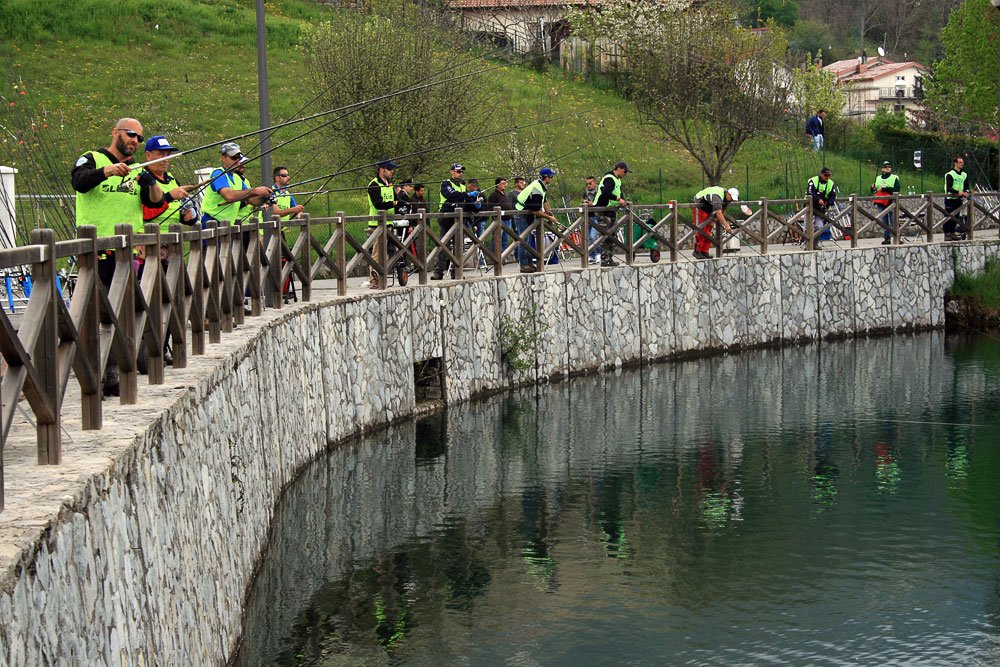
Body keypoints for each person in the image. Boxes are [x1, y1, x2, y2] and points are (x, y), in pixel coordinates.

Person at [71, 118, 168, 397]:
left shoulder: (136, 171)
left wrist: (151, 181)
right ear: (115, 133)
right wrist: (107, 171)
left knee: (125, 313)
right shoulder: (92, 158)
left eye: (138, 137)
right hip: (97, 249)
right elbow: (79, 181)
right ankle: (94, 378)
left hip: (128, 253)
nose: (134, 141)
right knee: (97, 313)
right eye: (130, 135)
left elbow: (155, 202)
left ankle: (114, 373)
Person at [200, 142, 273, 225]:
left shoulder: (237, 178)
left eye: (239, 157)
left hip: (227, 224)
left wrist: (265, 198)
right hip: (211, 221)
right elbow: (229, 196)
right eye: (234, 157)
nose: (237, 160)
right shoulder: (218, 174)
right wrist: (255, 191)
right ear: (223, 158)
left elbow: (251, 200)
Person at [433, 163, 479, 280]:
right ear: (451, 172)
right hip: (446, 218)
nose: (460, 174)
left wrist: (476, 206)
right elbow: (451, 195)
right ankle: (438, 272)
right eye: (458, 171)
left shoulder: (463, 186)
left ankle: (456, 271)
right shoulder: (446, 184)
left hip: (459, 220)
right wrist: (467, 194)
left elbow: (466, 202)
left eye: (461, 172)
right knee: (444, 246)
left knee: (460, 246)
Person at [513, 167, 560, 273]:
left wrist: (549, 211)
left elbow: (544, 201)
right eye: (551, 177)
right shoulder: (537, 189)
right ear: (546, 177)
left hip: (527, 213)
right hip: (521, 213)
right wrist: (549, 217)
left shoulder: (540, 185)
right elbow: (536, 210)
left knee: (529, 239)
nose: (552, 179)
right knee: (523, 239)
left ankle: (530, 262)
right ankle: (524, 264)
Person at [592, 161, 631, 267]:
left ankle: (610, 258)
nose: (625, 174)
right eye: (625, 172)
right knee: (605, 234)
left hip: (611, 210)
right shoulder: (609, 178)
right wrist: (618, 199)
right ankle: (604, 259)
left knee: (612, 235)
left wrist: (623, 200)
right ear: (620, 169)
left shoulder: (617, 180)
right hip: (603, 209)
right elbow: (606, 193)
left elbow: (618, 192)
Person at [367, 160, 398, 289]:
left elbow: (396, 199)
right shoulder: (373, 185)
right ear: (382, 169)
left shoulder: (389, 184)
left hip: (389, 223)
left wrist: (402, 204)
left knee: (385, 254)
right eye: (390, 169)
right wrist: (394, 203)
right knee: (376, 254)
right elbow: (378, 204)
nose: (392, 172)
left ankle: (382, 278)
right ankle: (374, 281)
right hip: (377, 224)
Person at [692, 186, 737, 260]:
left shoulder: (727, 199)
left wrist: (714, 220)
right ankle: (697, 251)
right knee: (701, 230)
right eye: (731, 198)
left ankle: (704, 251)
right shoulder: (717, 196)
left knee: (708, 230)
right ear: (728, 194)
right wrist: (726, 225)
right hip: (699, 206)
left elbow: (722, 210)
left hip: (709, 208)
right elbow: (718, 212)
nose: (731, 200)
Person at [870, 161, 900, 245]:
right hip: (880, 202)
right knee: (884, 221)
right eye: (886, 166)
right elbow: (874, 190)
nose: (888, 168)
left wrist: (886, 188)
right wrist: (872, 188)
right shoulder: (878, 178)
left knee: (893, 220)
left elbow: (897, 189)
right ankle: (886, 238)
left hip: (891, 202)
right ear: (882, 168)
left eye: (889, 167)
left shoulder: (894, 178)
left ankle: (897, 237)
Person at [806, 167, 836, 249]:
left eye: (829, 175)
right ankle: (807, 245)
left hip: (821, 209)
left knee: (819, 227)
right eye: (825, 175)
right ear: (821, 174)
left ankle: (815, 244)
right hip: (810, 207)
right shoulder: (813, 181)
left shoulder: (831, 183)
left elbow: (833, 196)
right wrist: (818, 199)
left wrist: (829, 203)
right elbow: (810, 192)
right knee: (807, 227)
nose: (827, 177)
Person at [486, 177, 514, 260]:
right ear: (498, 185)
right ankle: (495, 257)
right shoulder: (493, 195)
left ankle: (503, 256)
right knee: (497, 239)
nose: (505, 185)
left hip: (508, 219)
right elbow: (490, 207)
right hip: (499, 220)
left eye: (506, 183)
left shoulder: (505, 194)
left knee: (505, 239)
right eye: (503, 183)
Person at [944, 156, 970, 241]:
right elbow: (949, 188)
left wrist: (966, 191)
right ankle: (947, 233)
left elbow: (966, 186)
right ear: (955, 163)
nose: (962, 164)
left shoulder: (964, 174)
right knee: (949, 216)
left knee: (956, 217)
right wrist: (957, 192)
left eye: (962, 162)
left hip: (959, 199)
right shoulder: (950, 174)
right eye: (960, 162)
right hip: (950, 199)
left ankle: (952, 233)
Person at [581, 175, 600, 263]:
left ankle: (598, 254)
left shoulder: (599, 191)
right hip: (587, 216)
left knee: (594, 236)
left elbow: (598, 203)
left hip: (597, 216)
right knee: (588, 237)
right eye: (587, 184)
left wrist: (591, 203)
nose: (588, 185)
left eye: (590, 183)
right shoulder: (586, 192)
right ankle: (591, 256)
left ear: (594, 182)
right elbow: (583, 200)